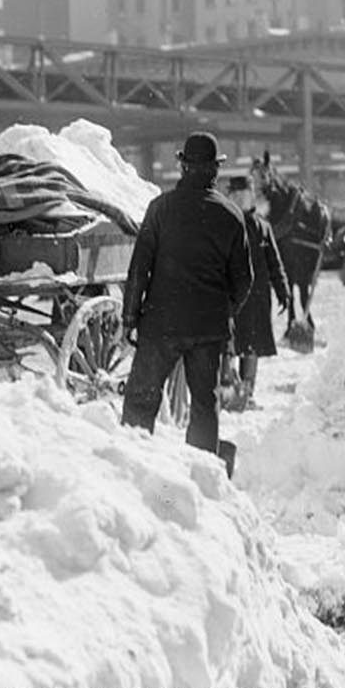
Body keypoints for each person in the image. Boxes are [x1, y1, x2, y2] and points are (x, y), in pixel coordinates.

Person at [121, 132, 253, 457]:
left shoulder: (160, 209)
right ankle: (201, 472)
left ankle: (134, 466)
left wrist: (129, 319)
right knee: (204, 405)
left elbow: (139, 269)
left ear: (182, 166)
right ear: (215, 170)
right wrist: (223, 309)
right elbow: (244, 280)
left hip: (160, 323)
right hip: (208, 329)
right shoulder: (231, 215)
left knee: (141, 399)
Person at [225, 174, 290, 411]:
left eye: (245, 195)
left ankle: (248, 393)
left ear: (252, 196)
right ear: (229, 197)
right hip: (230, 298)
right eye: (236, 195)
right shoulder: (222, 224)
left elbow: (274, 262)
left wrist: (282, 290)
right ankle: (229, 391)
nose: (241, 200)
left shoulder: (262, 226)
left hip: (257, 298)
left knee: (251, 346)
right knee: (229, 345)